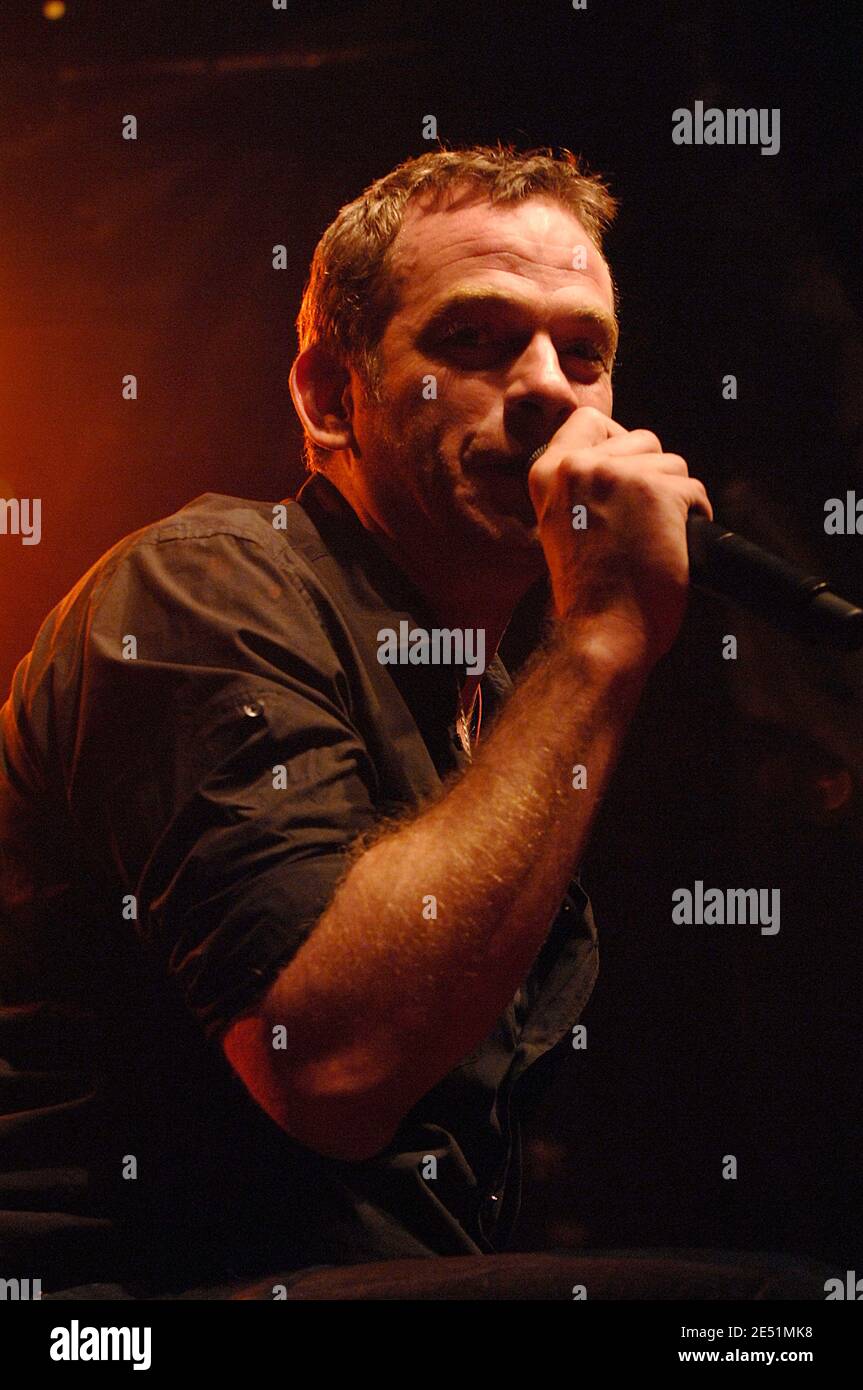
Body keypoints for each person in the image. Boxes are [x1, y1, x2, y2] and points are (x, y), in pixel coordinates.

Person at [0, 145, 827, 1301]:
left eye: (582, 350)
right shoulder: (199, 590)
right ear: (328, 395)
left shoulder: (483, 705)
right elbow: (326, 1068)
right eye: (473, 341)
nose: (547, 386)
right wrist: (596, 640)